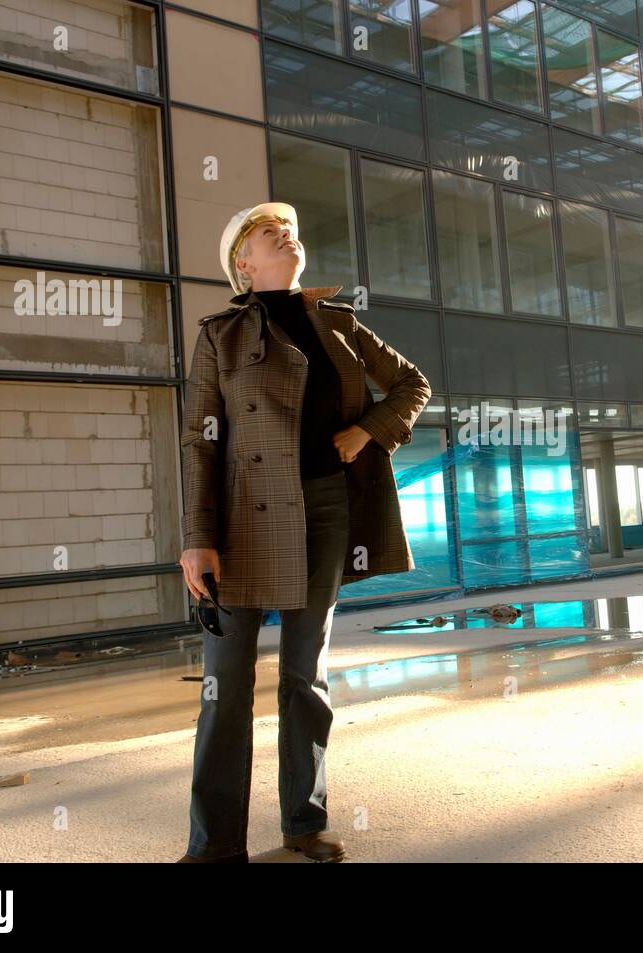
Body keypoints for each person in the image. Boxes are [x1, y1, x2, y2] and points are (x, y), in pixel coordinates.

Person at [176, 203, 430, 862]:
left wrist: (365, 431)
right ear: (244, 263)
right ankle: (213, 843)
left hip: (323, 512)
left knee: (304, 676)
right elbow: (199, 441)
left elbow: (411, 383)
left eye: (287, 227)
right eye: (268, 232)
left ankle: (304, 824)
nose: (285, 233)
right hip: (240, 523)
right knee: (225, 684)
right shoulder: (220, 336)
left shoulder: (339, 323)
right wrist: (198, 536)